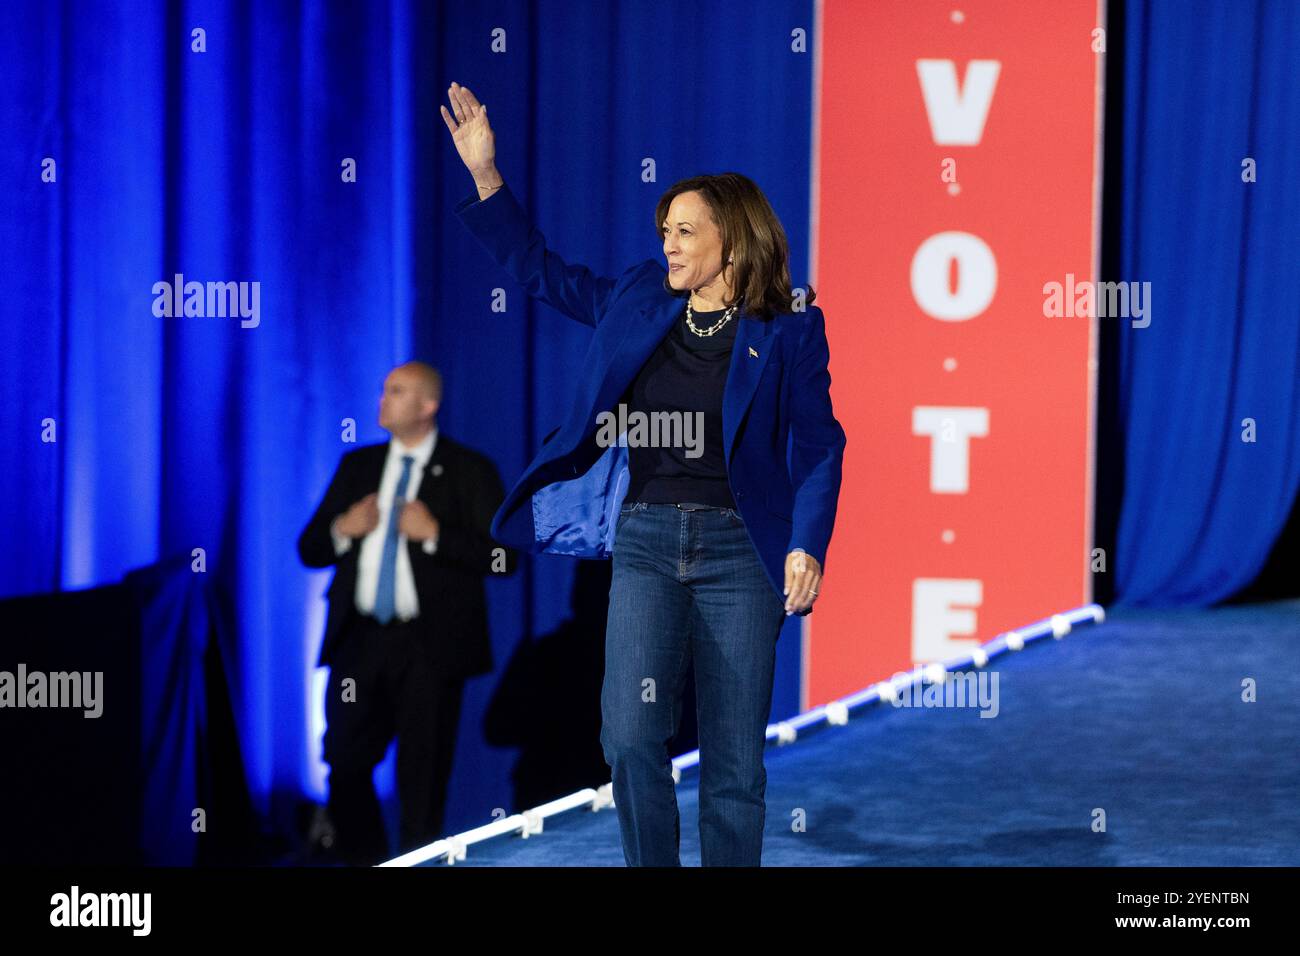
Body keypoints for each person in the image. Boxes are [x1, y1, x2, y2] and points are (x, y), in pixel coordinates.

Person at [441, 81, 845, 866]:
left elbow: (820, 442)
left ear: (732, 240)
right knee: (628, 734)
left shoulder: (789, 327)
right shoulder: (637, 298)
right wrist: (486, 177)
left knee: (733, 761)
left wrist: (807, 543)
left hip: (742, 554)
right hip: (648, 541)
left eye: (686, 231)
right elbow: (540, 272)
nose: (668, 243)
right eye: (665, 229)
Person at [297, 360, 517, 865]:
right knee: (344, 766)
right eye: (382, 391)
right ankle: (365, 859)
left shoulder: (469, 469)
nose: (382, 400)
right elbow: (309, 549)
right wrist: (342, 528)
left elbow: (505, 560)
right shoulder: (359, 468)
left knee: (422, 780)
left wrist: (436, 535)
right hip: (360, 642)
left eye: (395, 392)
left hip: (430, 650)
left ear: (427, 405)